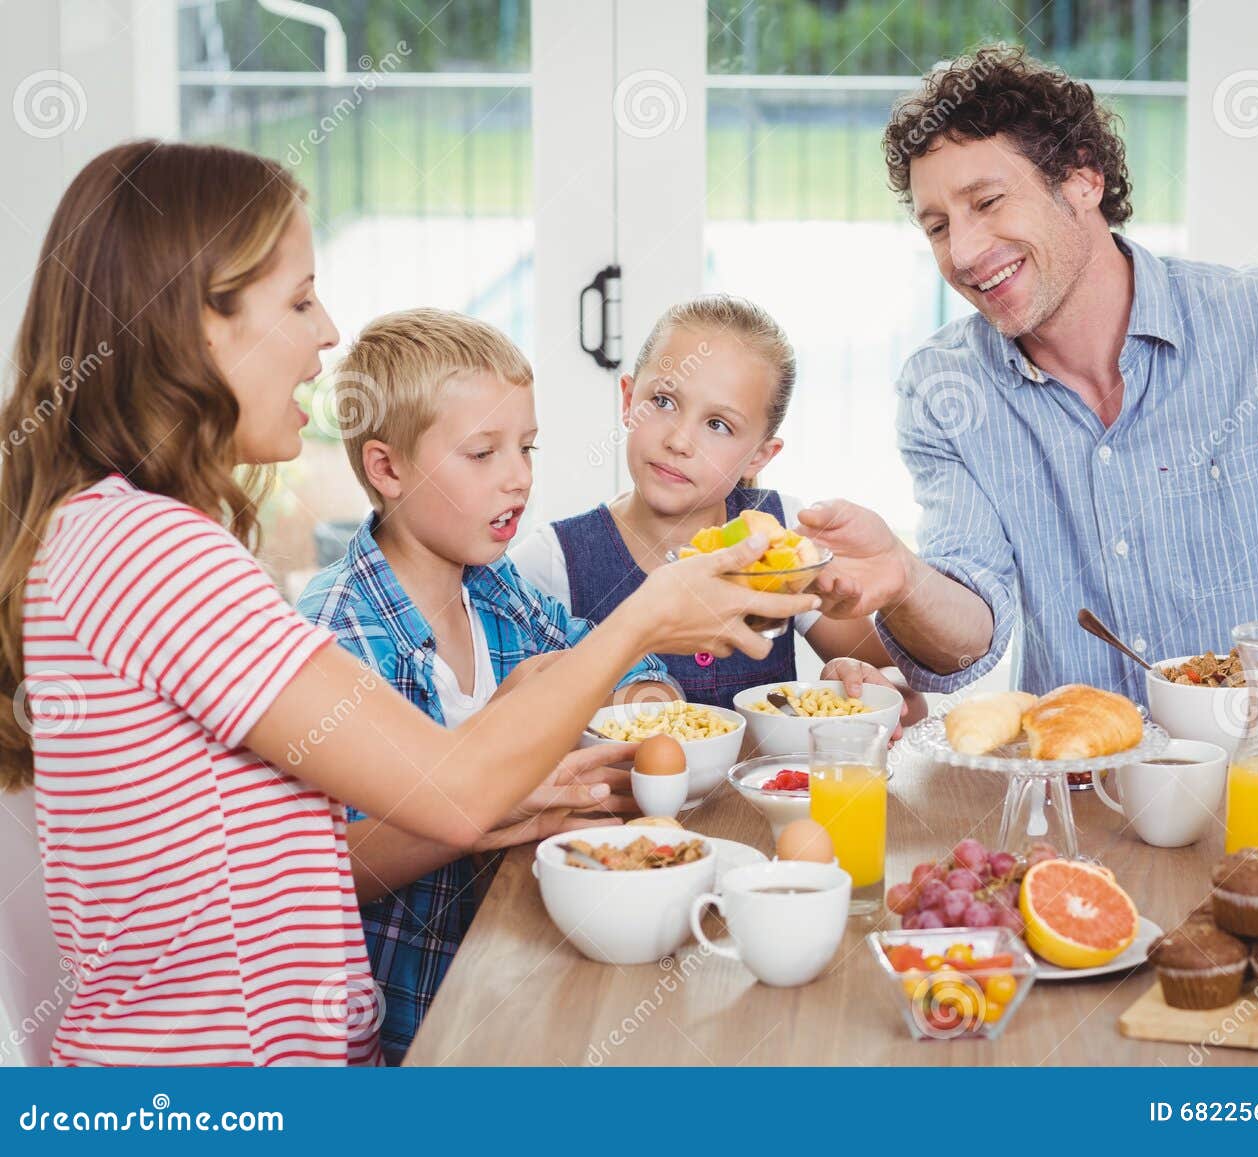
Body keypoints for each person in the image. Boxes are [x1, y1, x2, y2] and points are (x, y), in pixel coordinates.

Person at [0, 141, 816, 1066]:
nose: (326, 332)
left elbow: (327, 830)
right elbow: (453, 795)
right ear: (194, 323)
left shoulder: (113, 533)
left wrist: (523, 754)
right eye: (299, 300)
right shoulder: (151, 552)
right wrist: (650, 612)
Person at [801, 45, 1258, 783]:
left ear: (1083, 178)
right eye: (937, 225)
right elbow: (970, 639)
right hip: (1089, 810)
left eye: (988, 202)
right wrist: (904, 578)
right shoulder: (943, 388)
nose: (963, 252)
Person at [296, 308, 676, 1064]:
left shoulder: (497, 589)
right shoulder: (337, 631)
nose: (519, 476)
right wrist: (491, 774)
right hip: (415, 1023)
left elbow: (611, 660)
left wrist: (645, 707)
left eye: (526, 448)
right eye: (482, 453)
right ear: (387, 469)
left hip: (520, 965)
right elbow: (333, 868)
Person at [514, 295, 925, 729]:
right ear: (629, 400)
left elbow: (909, 700)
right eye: (663, 402)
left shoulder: (785, 540)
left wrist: (860, 681)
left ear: (759, 456)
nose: (679, 441)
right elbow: (503, 725)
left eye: (718, 425)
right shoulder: (553, 560)